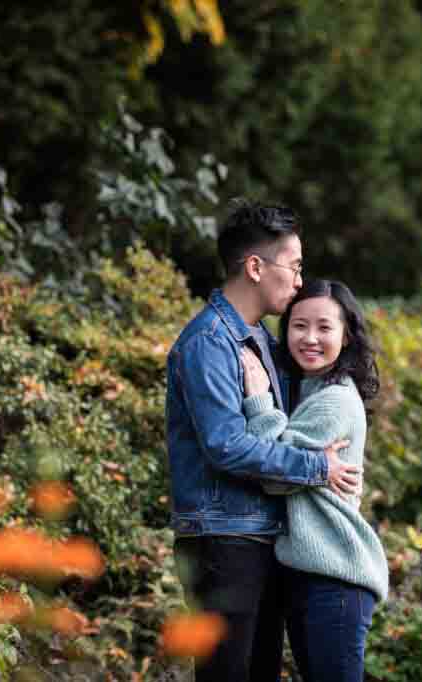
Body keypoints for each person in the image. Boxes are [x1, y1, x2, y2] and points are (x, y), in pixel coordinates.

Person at [166, 200, 361, 682]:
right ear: (255, 267)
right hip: (223, 541)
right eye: (293, 267)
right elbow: (226, 444)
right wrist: (317, 467)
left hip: (257, 539)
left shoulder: (257, 339)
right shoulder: (210, 342)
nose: (299, 282)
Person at [240, 278, 388, 682]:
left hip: (336, 578)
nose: (310, 337)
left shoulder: (335, 399)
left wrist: (258, 400)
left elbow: (273, 474)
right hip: (309, 576)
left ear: (346, 335)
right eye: (299, 325)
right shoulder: (307, 388)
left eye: (325, 327)